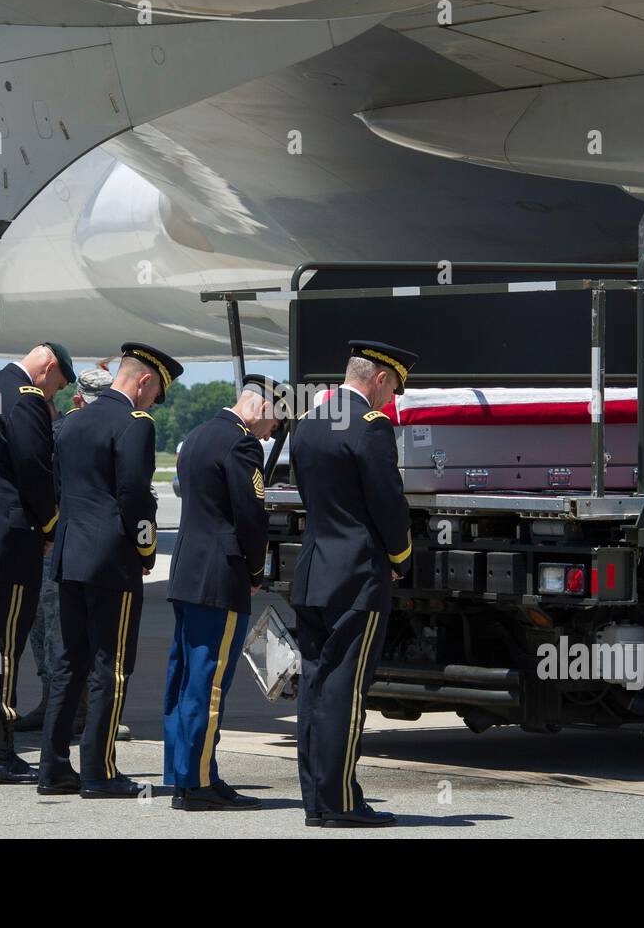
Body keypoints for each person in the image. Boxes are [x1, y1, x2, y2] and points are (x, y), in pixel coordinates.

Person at [38, 342, 182, 797]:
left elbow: (58, 490)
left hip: (71, 556)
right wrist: (145, 551)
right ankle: (99, 770)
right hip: (111, 562)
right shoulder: (134, 425)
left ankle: (54, 767)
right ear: (144, 381)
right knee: (111, 666)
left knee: (69, 664)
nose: (150, 402)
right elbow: (135, 497)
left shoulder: (71, 423)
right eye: (153, 392)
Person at [289, 341, 417, 828]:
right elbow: (388, 502)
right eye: (394, 388)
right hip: (357, 575)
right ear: (381, 377)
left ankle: (317, 800)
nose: (392, 401)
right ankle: (341, 800)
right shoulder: (370, 427)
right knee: (346, 687)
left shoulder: (310, 423)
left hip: (315, 569)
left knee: (316, 686)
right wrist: (400, 555)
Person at [0, 343, 75, 784]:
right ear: (49, 368)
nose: (52, 395)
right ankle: (0, 752)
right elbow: (34, 471)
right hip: (10, 540)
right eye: (56, 386)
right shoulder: (26, 399)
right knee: (3, 646)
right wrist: (51, 525)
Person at [163, 375, 290, 810]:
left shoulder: (198, 435)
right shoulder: (241, 444)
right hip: (220, 577)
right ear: (261, 407)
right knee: (209, 682)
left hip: (186, 573)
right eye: (276, 421)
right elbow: (250, 518)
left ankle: (183, 773)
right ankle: (198, 783)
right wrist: (257, 569)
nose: (273, 432)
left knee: (183, 679)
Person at [17, 367, 132, 742]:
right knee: (53, 633)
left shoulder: (83, 430)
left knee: (69, 634)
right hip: (62, 544)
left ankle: (78, 709)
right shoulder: (62, 432)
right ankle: (62, 705)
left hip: (67, 545)